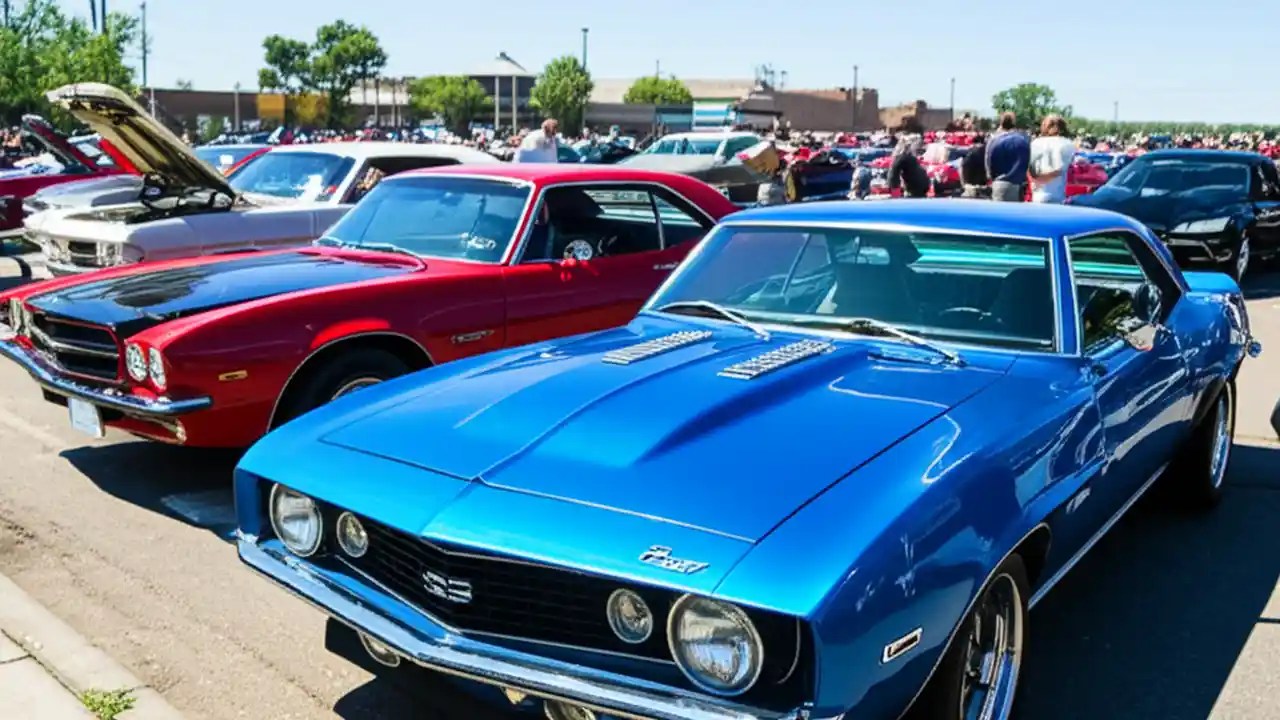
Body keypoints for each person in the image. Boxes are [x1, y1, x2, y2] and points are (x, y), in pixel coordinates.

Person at [1029, 115, 1076, 204]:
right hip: (1057, 194)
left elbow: (1029, 168)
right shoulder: (1067, 144)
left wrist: (1036, 180)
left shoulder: (1035, 143)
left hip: (1038, 193)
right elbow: (1066, 167)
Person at [985, 112, 1030, 201]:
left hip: (999, 183)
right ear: (1014, 122)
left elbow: (988, 161)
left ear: (1001, 123)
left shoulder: (994, 140)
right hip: (1018, 185)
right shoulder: (1023, 139)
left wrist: (990, 177)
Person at [961, 133, 990, 198]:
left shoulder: (970, 152)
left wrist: (965, 183)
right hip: (983, 183)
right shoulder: (986, 150)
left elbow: (964, 166)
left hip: (971, 184)